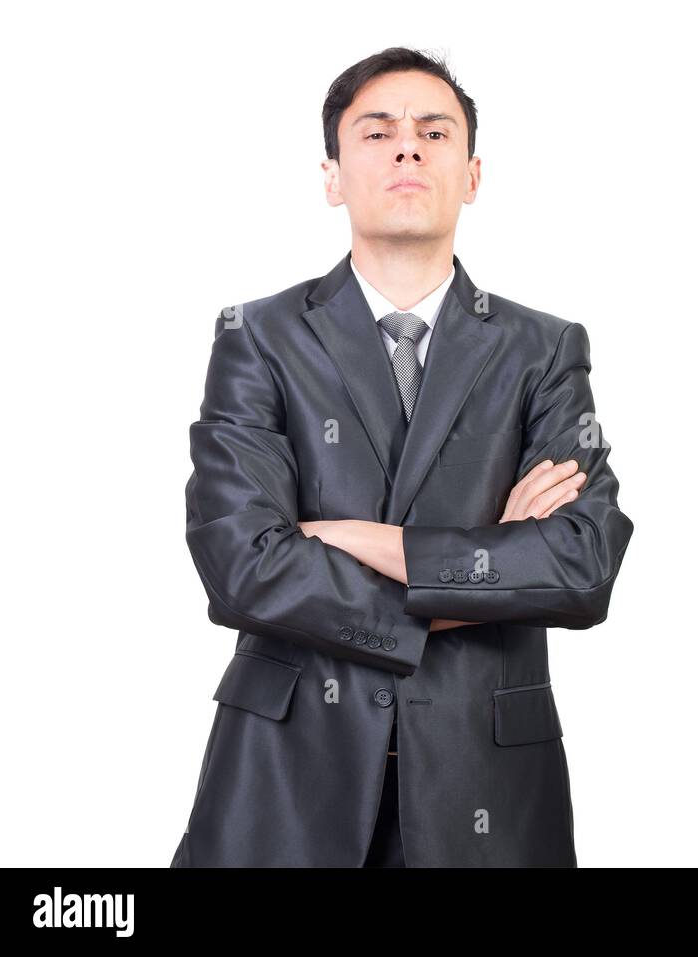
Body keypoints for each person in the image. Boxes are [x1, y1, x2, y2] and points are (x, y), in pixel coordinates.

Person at [171, 46, 634, 867]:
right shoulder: (258, 339)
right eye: (378, 131)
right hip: (287, 776)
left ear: (473, 173)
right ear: (333, 175)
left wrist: (350, 538)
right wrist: (494, 574)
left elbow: (582, 564)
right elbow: (242, 566)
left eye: (434, 130)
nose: (409, 147)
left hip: (484, 781)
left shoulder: (544, 349)